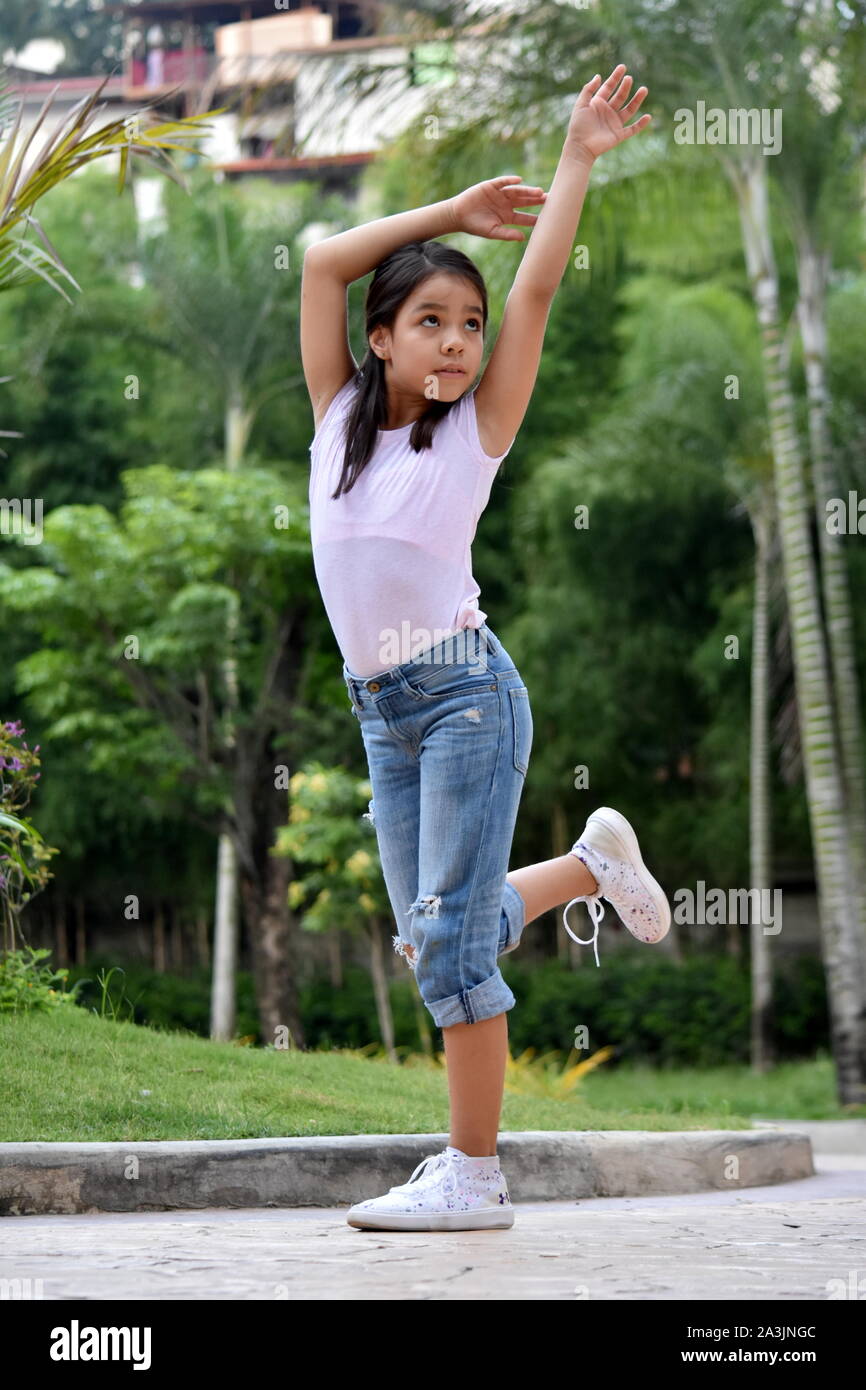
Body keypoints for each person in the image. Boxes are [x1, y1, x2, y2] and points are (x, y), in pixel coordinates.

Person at [300, 64, 671, 1233]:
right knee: (428, 933)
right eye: (430, 322)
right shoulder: (332, 425)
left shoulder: (475, 437)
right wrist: (450, 215)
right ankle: (590, 868)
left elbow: (537, 292)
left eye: (466, 324)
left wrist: (573, 160)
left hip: (463, 696)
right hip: (383, 714)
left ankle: (473, 1176)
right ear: (381, 338)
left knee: (451, 951)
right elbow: (321, 260)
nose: (457, 342)